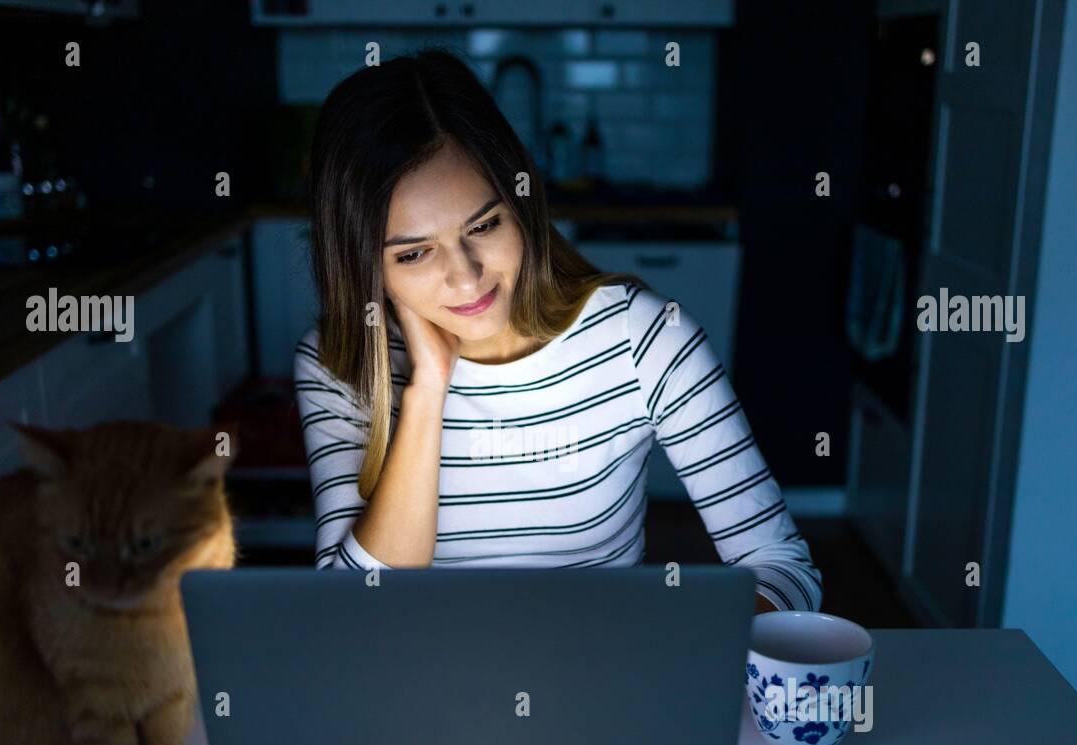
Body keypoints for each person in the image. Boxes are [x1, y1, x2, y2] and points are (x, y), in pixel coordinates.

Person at [294, 49, 821, 613]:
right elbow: (353, 610)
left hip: (599, 686)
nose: (468, 277)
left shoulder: (643, 337)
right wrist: (428, 388)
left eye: (485, 224)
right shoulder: (336, 364)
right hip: (420, 690)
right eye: (416, 254)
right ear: (363, 265)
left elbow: (783, 567)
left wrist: (706, 659)